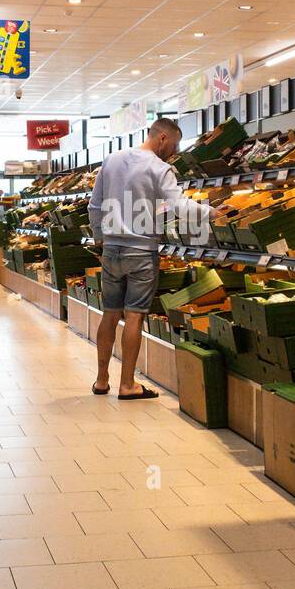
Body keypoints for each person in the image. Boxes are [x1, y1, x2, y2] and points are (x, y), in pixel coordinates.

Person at [87, 117, 213, 399]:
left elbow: (94, 205)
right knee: (134, 316)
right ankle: (127, 384)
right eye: (175, 145)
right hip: (142, 251)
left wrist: (101, 237)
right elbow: (180, 206)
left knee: (109, 314)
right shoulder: (161, 168)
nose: (175, 152)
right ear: (163, 139)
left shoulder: (112, 160)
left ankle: (102, 380)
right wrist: (211, 212)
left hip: (112, 249)